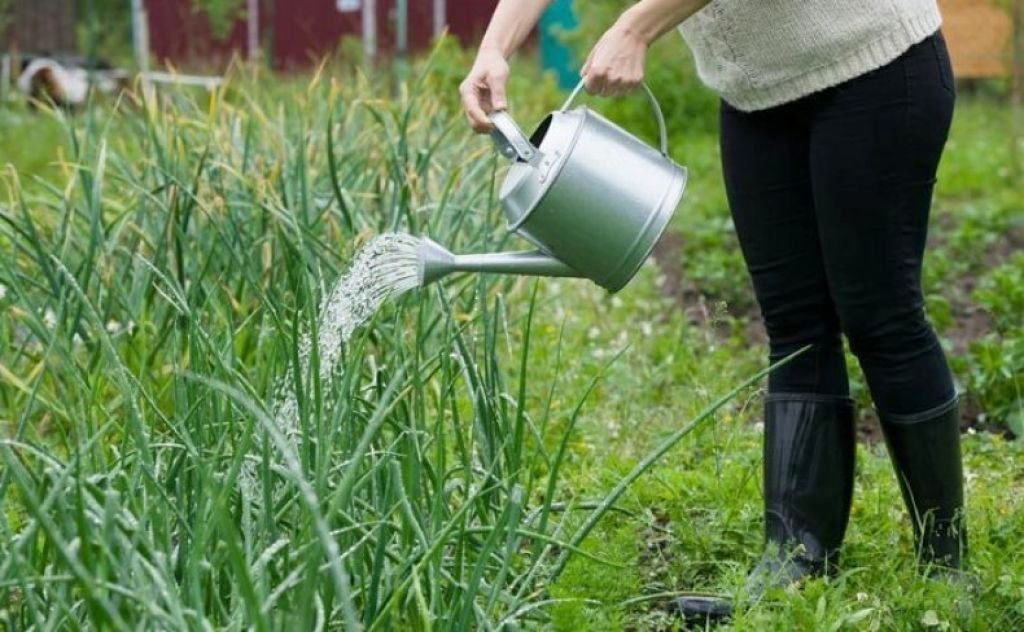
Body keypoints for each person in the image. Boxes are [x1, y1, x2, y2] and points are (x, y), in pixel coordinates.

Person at [460, 0, 968, 622]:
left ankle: (946, 565)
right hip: (756, 97)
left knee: (879, 315)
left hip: (872, 67)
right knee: (795, 324)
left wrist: (634, 27)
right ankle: (796, 558)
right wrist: (494, 48)